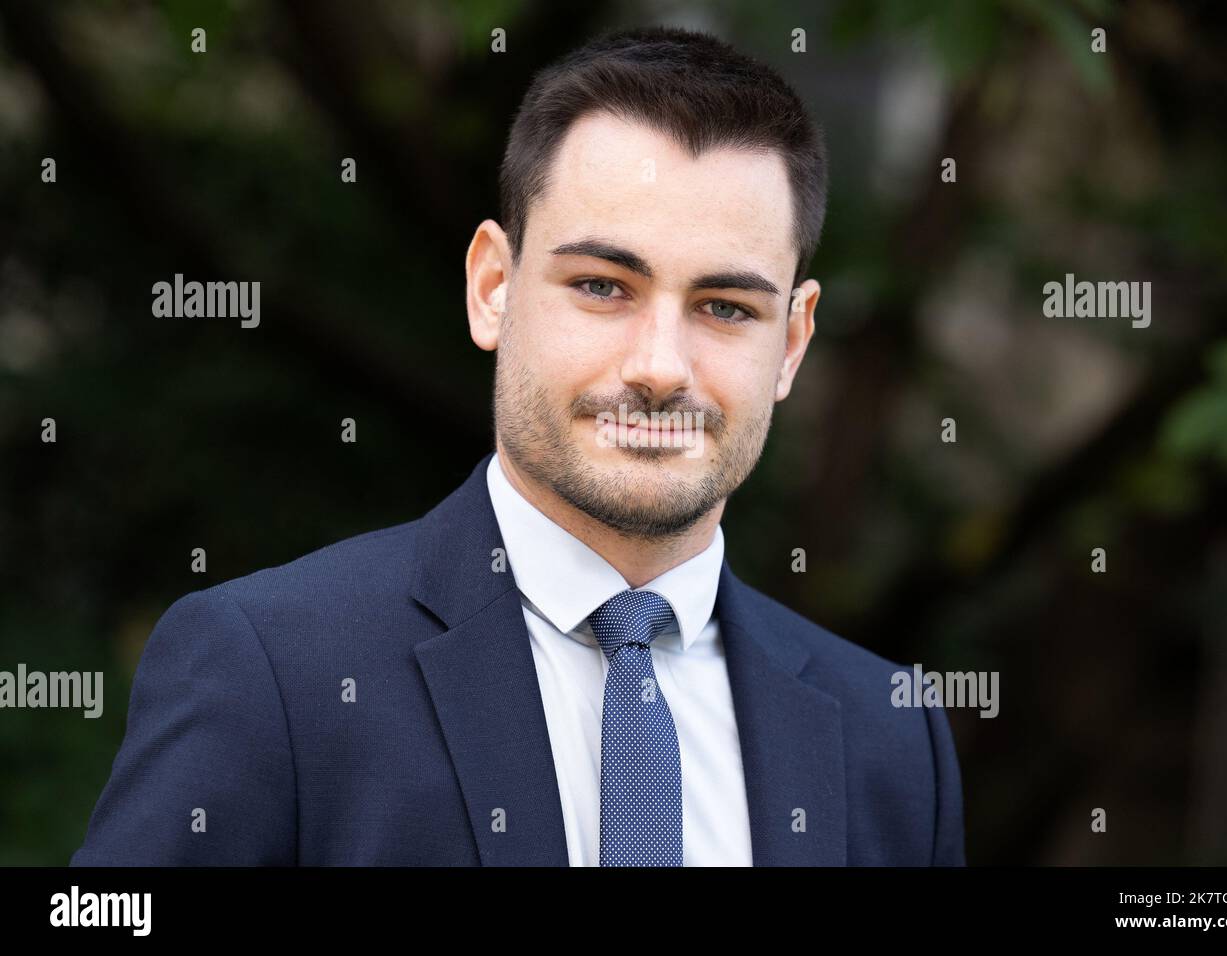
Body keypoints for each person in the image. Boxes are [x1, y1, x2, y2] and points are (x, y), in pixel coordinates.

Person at [72, 25, 964, 867]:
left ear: (794, 343)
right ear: (493, 287)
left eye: (726, 307)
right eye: (602, 286)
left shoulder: (890, 741)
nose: (660, 368)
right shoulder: (270, 672)